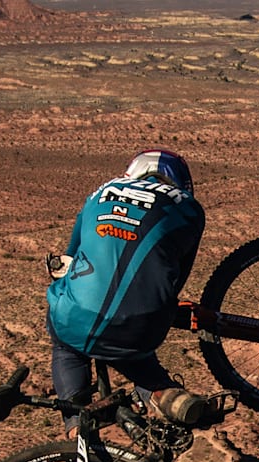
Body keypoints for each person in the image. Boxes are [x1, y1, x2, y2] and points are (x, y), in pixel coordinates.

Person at [46, 149, 207, 433]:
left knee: (67, 345)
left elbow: (67, 260)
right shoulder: (191, 209)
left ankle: (74, 427)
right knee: (133, 342)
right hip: (141, 327)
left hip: (75, 317)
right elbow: (176, 279)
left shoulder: (102, 191)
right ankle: (164, 394)